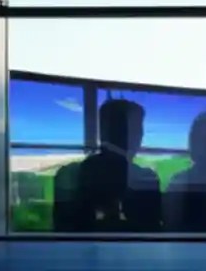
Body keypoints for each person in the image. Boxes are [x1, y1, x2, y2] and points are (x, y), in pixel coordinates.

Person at [53, 99, 162, 231]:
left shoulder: (68, 173)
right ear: (135, 133)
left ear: (102, 132)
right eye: (139, 128)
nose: (141, 135)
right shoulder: (145, 178)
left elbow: (60, 227)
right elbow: (152, 230)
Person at [163, 111, 206, 232]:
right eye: (194, 138)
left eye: (205, 139)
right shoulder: (179, 181)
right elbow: (170, 225)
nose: (197, 144)